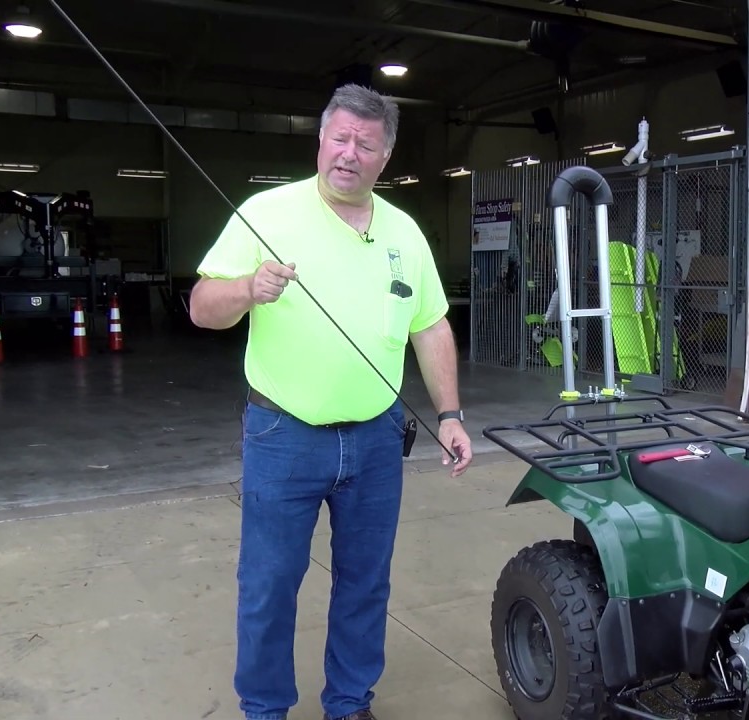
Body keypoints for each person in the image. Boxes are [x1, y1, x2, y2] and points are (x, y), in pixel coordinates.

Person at [188, 83, 473, 720]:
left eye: (364, 145)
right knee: (268, 584)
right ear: (321, 142)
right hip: (283, 435)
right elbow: (202, 309)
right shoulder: (266, 212)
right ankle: (264, 709)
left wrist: (450, 415)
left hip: (376, 437)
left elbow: (429, 326)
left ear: (385, 155)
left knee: (366, 583)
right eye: (339, 139)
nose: (349, 154)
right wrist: (246, 288)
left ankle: (349, 703)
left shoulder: (404, 232)